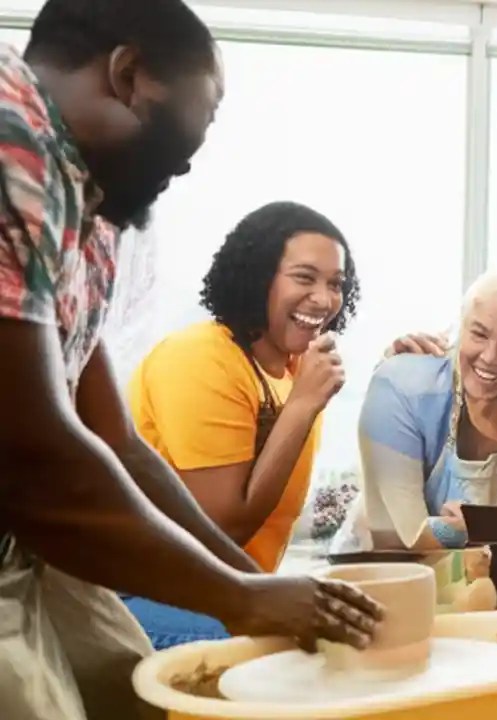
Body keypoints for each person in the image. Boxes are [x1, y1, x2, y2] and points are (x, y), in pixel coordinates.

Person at [0, 3, 380, 719]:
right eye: (197, 121)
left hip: (33, 546)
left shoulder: (89, 211)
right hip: (36, 518)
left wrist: (250, 595)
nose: (192, 156)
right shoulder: (12, 135)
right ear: (128, 73)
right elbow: (37, 464)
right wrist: (238, 593)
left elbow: (114, 442)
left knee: (140, 693)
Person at [122, 201, 360, 648]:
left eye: (336, 284)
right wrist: (303, 406)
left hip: (221, 591)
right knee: (295, 650)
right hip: (139, 593)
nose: (325, 298)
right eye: (304, 278)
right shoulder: (199, 358)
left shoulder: (292, 373)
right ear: (258, 276)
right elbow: (223, 530)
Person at [332, 268, 497, 553]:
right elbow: (398, 538)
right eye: (479, 334)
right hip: (383, 579)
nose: (489, 357)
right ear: (460, 326)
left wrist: (485, 528)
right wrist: (476, 529)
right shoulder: (402, 385)